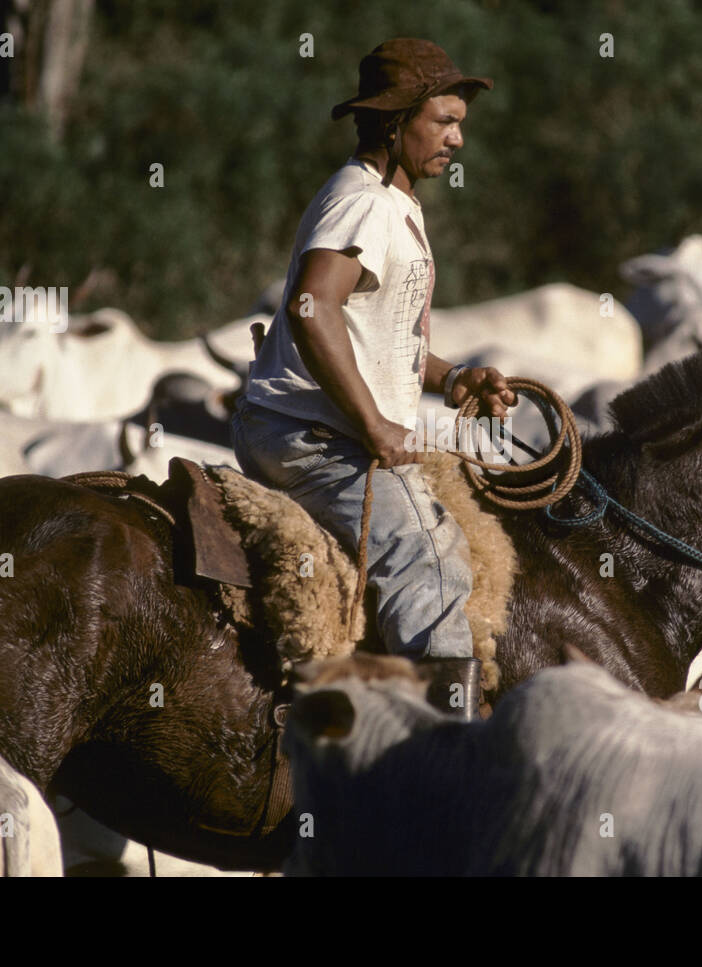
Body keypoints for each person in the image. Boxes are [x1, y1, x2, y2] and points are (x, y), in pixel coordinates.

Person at [232, 38, 516, 719]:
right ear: (394, 122)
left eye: (461, 125)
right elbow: (311, 305)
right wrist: (374, 425)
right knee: (434, 563)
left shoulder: (395, 203)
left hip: (320, 426)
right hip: (312, 434)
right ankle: (446, 756)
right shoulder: (362, 202)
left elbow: (373, 335)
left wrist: (452, 379)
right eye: (443, 122)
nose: (456, 139)